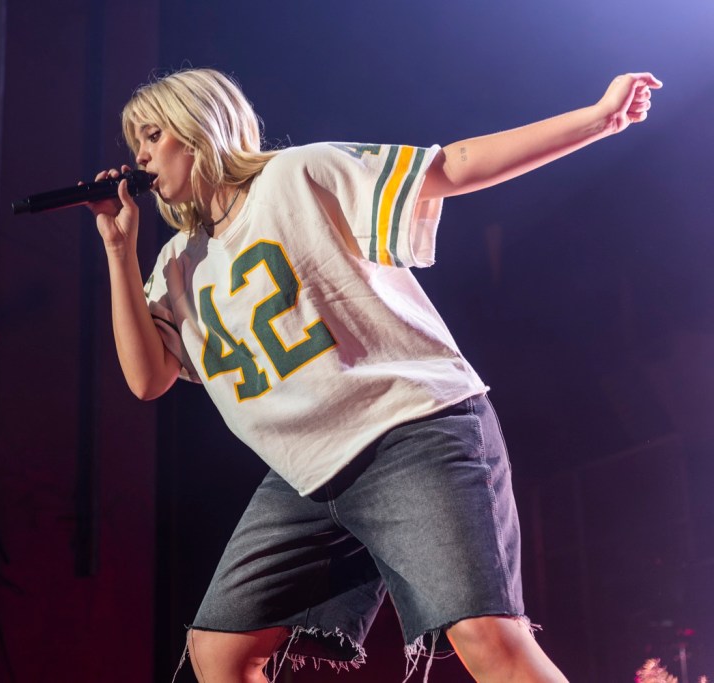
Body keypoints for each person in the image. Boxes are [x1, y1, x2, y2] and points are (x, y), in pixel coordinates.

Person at [86, 68, 661, 683]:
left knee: (487, 641)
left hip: (409, 433)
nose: (141, 156)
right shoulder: (179, 261)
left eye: (152, 135)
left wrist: (597, 118)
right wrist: (119, 251)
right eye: (135, 145)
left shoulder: (296, 175)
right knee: (218, 651)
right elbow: (149, 380)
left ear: (200, 127)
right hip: (306, 477)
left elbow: (452, 167)